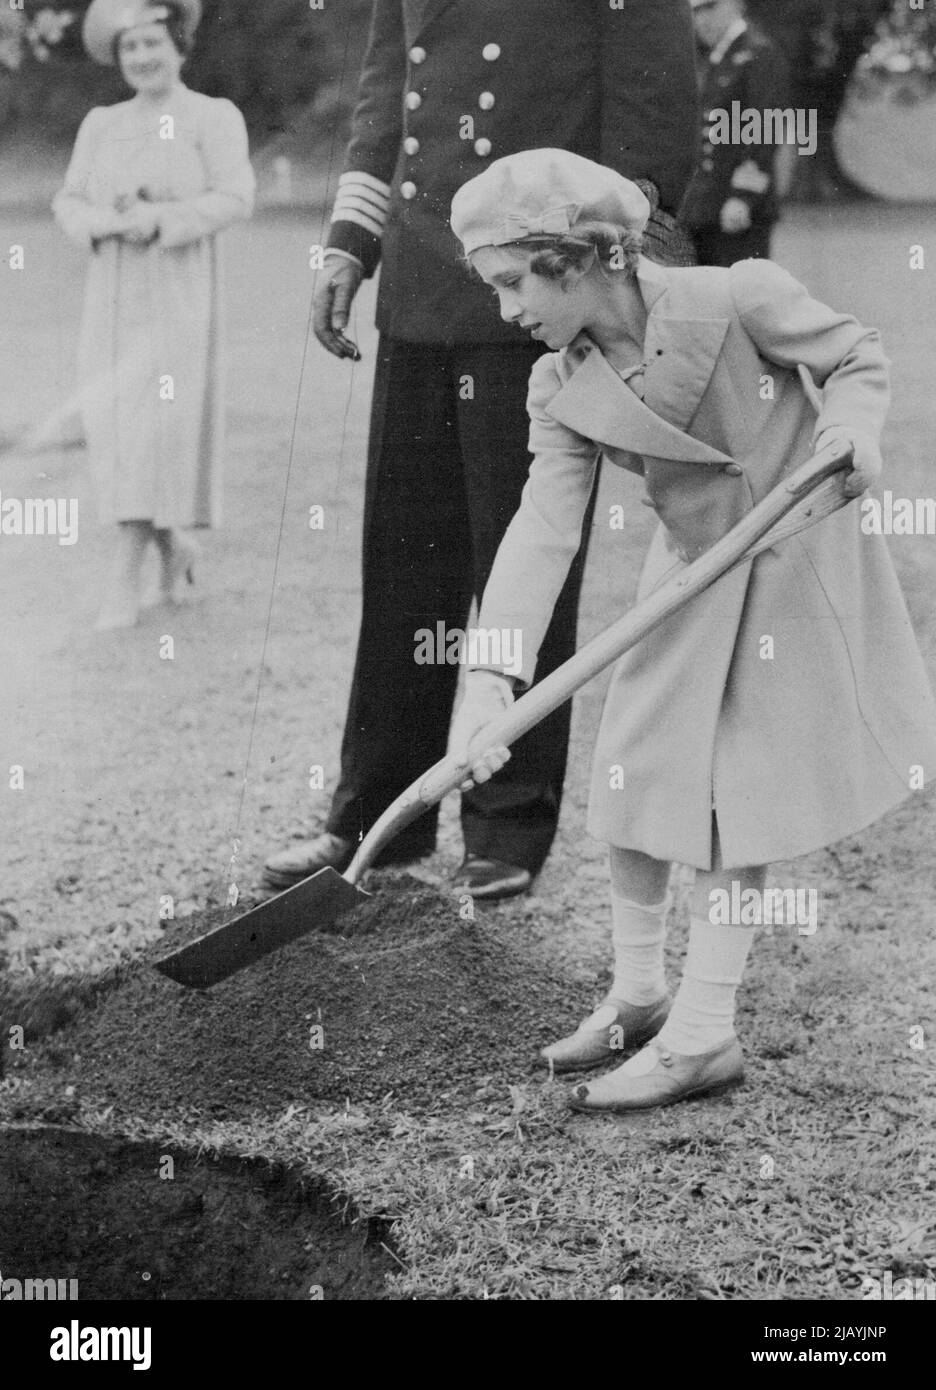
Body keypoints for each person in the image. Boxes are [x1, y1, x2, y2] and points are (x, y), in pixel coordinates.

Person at [450, 148, 936, 1111]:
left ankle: (705, 1033)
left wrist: (855, 430)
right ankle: (639, 993)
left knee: (734, 789)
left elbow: (855, 355)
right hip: (690, 568)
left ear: (585, 257)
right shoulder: (559, 388)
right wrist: (488, 678)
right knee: (635, 763)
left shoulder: (738, 294)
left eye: (513, 283)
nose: (506, 311)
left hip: (792, 548)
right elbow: (542, 531)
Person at [261, 0, 699, 902]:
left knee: (522, 549)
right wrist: (350, 241)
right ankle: (377, 811)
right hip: (423, 281)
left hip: (538, 284)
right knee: (403, 560)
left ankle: (507, 821)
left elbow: (654, 108)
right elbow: (387, 96)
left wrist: (612, 266)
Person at [53, 0, 255, 630]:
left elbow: (235, 196)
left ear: (179, 46)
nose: (141, 58)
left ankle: (124, 583)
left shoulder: (211, 116)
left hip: (177, 293)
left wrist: (161, 219)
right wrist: (102, 221)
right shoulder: (102, 124)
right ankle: (177, 549)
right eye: (129, 48)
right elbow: (68, 198)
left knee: (153, 429)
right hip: (111, 295)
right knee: (118, 430)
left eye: (152, 44)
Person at [681, 0, 789, 266]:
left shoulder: (758, 53)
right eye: (695, 11)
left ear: (735, 4)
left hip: (737, 210)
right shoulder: (717, 57)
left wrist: (743, 196)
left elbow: (765, 130)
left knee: (740, 299)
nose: (702, 20)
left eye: (711, 7)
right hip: (707, 210)